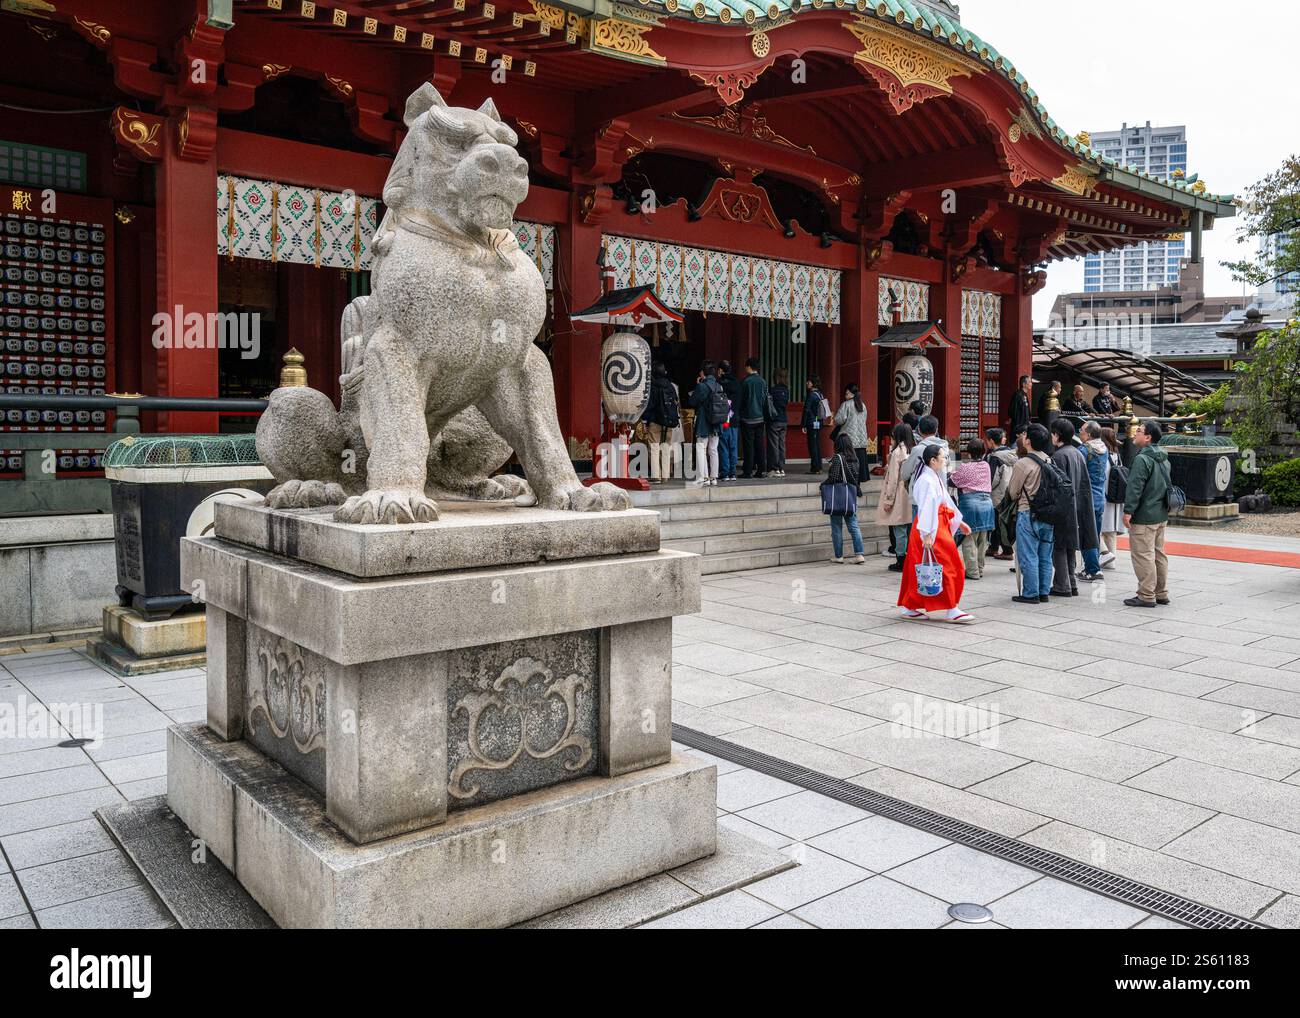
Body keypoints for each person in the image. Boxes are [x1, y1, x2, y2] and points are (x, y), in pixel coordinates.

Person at [897, 443, 974, 623]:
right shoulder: (926, 479)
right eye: (943, 457)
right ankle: (951, 607)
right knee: (949, 565)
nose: (946, 460)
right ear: (933, 461)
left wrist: (958, 521)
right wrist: (928, 534)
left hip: (934, 526)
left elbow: (944, 502)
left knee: (921, 566)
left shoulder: (931, 477)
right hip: (931, 528)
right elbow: (926, 508)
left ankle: (910, 606)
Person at [1123, 421, 1172, 608]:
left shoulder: (1142, 459)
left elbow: (1135, 488)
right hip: (1160, 513)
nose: (1135, 433)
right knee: (1159, 554)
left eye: (1139, 431)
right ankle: (1161, 592)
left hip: (1144, 515)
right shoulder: (1164, 458)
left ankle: (1146, 594)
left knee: (1143, 555)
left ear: (1148, 437)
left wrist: (1128, 511)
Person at [1048, 418, 1098, 597]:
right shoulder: (1077, 453)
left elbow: (1057, 487)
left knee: (1059, 546)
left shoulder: (1059, 456)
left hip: (1064, 507)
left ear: (1057, 435)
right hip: (1077, 505)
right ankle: (1071, 582)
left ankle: (1062, 585)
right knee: (1069, 546)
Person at [1007, 423, 1055, 605]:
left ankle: (1030, 593)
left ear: (1028, 441)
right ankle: (1043, 591)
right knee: (1045, 554)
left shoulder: (1023, 463)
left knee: (1028, 554)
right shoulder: (1050, 460)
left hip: (1028, 512)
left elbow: (1013, 492)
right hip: (1048, 514)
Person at [951, 440, 995, 581]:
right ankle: (980, 569)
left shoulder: (966, 467)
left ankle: (972, 571)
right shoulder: (986, 466)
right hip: (987, 504)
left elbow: (952, 481)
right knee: (983, 540)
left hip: (970, 504)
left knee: (969, 539)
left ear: (968, 452)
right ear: (983, 452)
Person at [876, 422, 914, 574]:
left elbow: (892, 479)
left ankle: (901, 559)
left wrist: (887, 500)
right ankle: (911, 557)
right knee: (911, 527)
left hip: (899, 493)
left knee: (899, 528)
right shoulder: (913, 450)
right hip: (912, 492)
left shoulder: (897, 452)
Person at [826, 434, 866, 565]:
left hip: (838, 497)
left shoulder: (837, 458)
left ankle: (839, 556)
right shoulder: (855, 459)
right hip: (850, 496)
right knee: (854, 526)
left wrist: (823, 485)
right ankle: (859, 554)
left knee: (836, 526)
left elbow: (834, 478)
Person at [1078, 421, 1109, 580]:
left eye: (1082, 430)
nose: (1079, 432)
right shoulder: (1104, 449)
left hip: (1087, 496)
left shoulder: (1084, 449)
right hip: (1100, 496)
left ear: (1089, 434)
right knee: (1095, 533)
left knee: (1086, 534)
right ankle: (1091, 566)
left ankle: (1093, 569)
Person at [641, 361, 680, 484]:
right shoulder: (670, 386)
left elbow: (649, 405)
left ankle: (655, 476)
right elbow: (675, 403)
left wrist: (644, 420)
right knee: (666, 447)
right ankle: (665, 476)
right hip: (668, 422)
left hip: (655, 421)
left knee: (653, 447)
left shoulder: (652, 386)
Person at [984, 428, 1017, 560]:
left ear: (991, 441)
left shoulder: (994, 457)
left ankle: (1007, 551)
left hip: (997, 495)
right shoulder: (1012, 454)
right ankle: (993, 547)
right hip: (1009, 492)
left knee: (998, 524)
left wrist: (986, 489)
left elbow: (992, 479)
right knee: (1001, 522)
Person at [688, 360, 721, 487]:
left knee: (701, 448)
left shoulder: (702, 386)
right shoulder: (719, 386)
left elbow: (692, 401)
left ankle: (702, 476)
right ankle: (713, 478)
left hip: (704, 421)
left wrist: (697, 385)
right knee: (713, 450)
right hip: (717, 421)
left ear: (703, 373)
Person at [1098, 426, 1127, 570]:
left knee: (1098, 529)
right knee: (1111, 532)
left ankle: (1106, 555)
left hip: (1104, 496)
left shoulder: (1102, 455)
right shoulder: (1117, 455)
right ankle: (1111, 561)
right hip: (1116, 498)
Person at [833, 384, 870, 494]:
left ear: (852, 394)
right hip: (861, 440)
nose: (845, 395)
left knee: (848, 466)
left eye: (847, 393)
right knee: (858, 466)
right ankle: (857, 487)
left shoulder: (846, 405)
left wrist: (834, 416)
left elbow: (839, 420)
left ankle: (850, 488)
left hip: (849, 441)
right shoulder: (862, 405)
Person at [738, 357, 769, 479]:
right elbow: (765, 399)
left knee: (748, 446)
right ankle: (761, 469)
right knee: (760, 445)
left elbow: (742, 400)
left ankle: (748, 470)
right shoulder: (762, 381)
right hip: (760, 418)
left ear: (749, 367)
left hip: (747, 418)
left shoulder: (745, 382)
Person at [902, 415, 947, 490]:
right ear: (936, 430)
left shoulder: (917, 450)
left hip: (920, 495)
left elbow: (904, 474)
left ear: (919, 430)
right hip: (940, 493)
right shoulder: (945, 448)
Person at [716, 360, 740, 481]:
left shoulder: (719, 383)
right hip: (734, 418)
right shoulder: (737, 383)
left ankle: (725, 472)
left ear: (720, 370)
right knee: (733, 446)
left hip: (723, 418)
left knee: (723, 445)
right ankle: (733, 472)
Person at [801, 375, 829, 474]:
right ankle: (819, 467)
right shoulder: (820, 394)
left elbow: (806, 410)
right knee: (817, 444)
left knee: (812, 445)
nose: (807, 384)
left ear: (812, 383)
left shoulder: (811, 395)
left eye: (808, 382)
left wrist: (803, 424)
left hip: (811, 422)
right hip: (818, 422)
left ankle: (815, 468)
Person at [767, 368, 790, 477]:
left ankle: (775, 468)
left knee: (774, 445)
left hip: (774, 420)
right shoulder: (786, 391)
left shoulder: (772, 390)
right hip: (784, 420)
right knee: (782, 445)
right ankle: (781, 468)